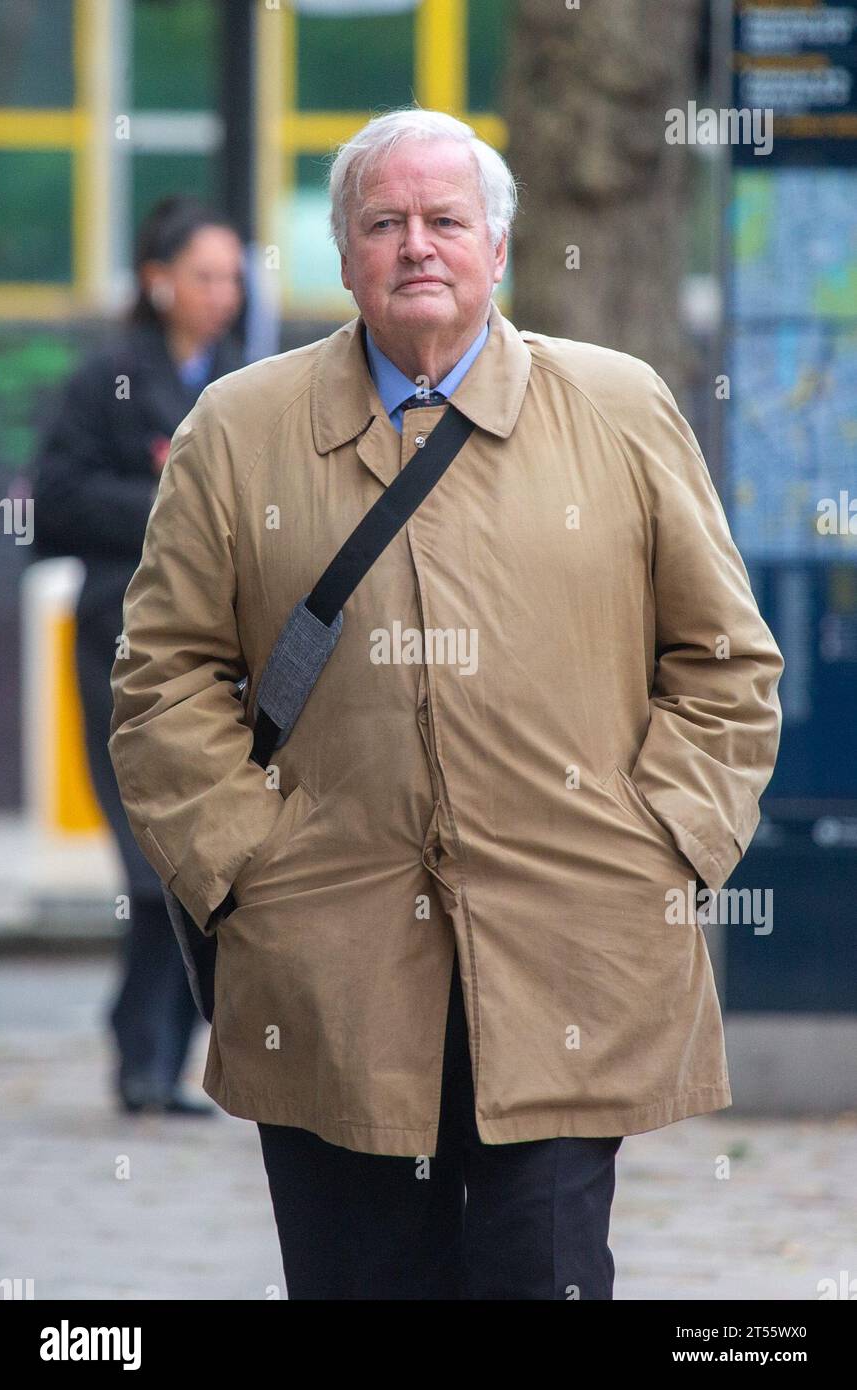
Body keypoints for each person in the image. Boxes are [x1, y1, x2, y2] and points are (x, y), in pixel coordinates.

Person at [107, 110, 784, 1296]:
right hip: (329, 969)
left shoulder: (620, 410)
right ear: (345, 252)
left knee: (544, 1275)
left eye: (445, 220)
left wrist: (658, 842)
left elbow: (727, 662)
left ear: (499, 249)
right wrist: (250, 871)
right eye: (384, 222)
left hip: (570, 954)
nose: (417, 245)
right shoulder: (239, 429)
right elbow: (162, 679)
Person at [31, 196, 245, 1115]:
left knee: (205, 862)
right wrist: (168, 500)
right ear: (158, 282)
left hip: (229, 655)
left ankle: (159, 1055)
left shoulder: (246, 380)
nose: (222, 295)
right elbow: (54, 503)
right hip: (121, 649)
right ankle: (142, 1056)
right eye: (204, 275)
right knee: (148, 861)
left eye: (234, 276)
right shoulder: (106, 379)